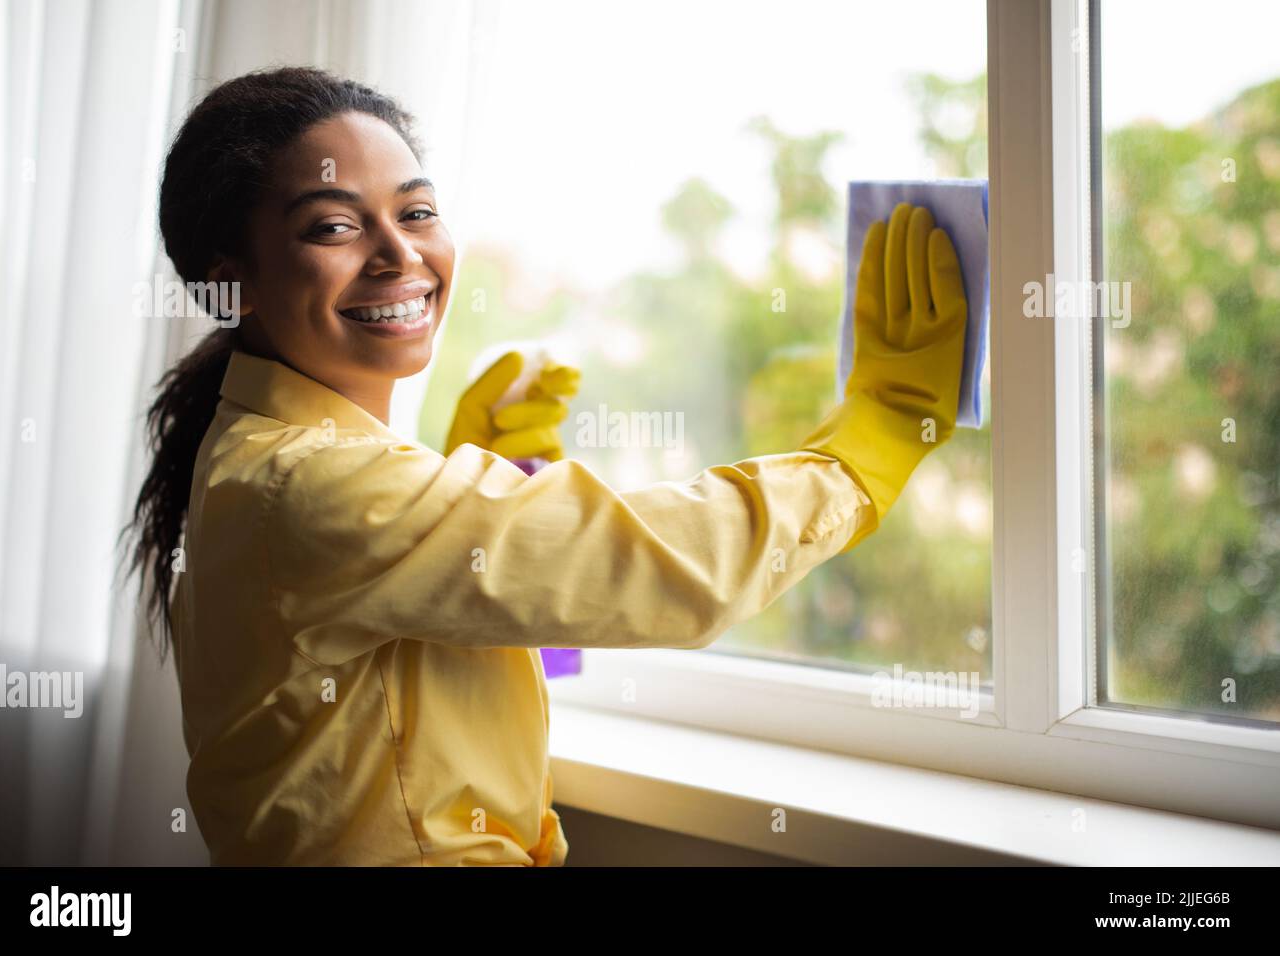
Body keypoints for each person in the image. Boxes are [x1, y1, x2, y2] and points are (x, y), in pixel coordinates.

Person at [124, 66, 968, 866]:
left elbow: (453, 661)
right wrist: (872, 441)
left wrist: (475, 481)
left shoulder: (281, 454)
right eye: (335, 226)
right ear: (234, 285)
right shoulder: (304, 483)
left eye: (415, 212)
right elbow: (657, 570)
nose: (398, 254)